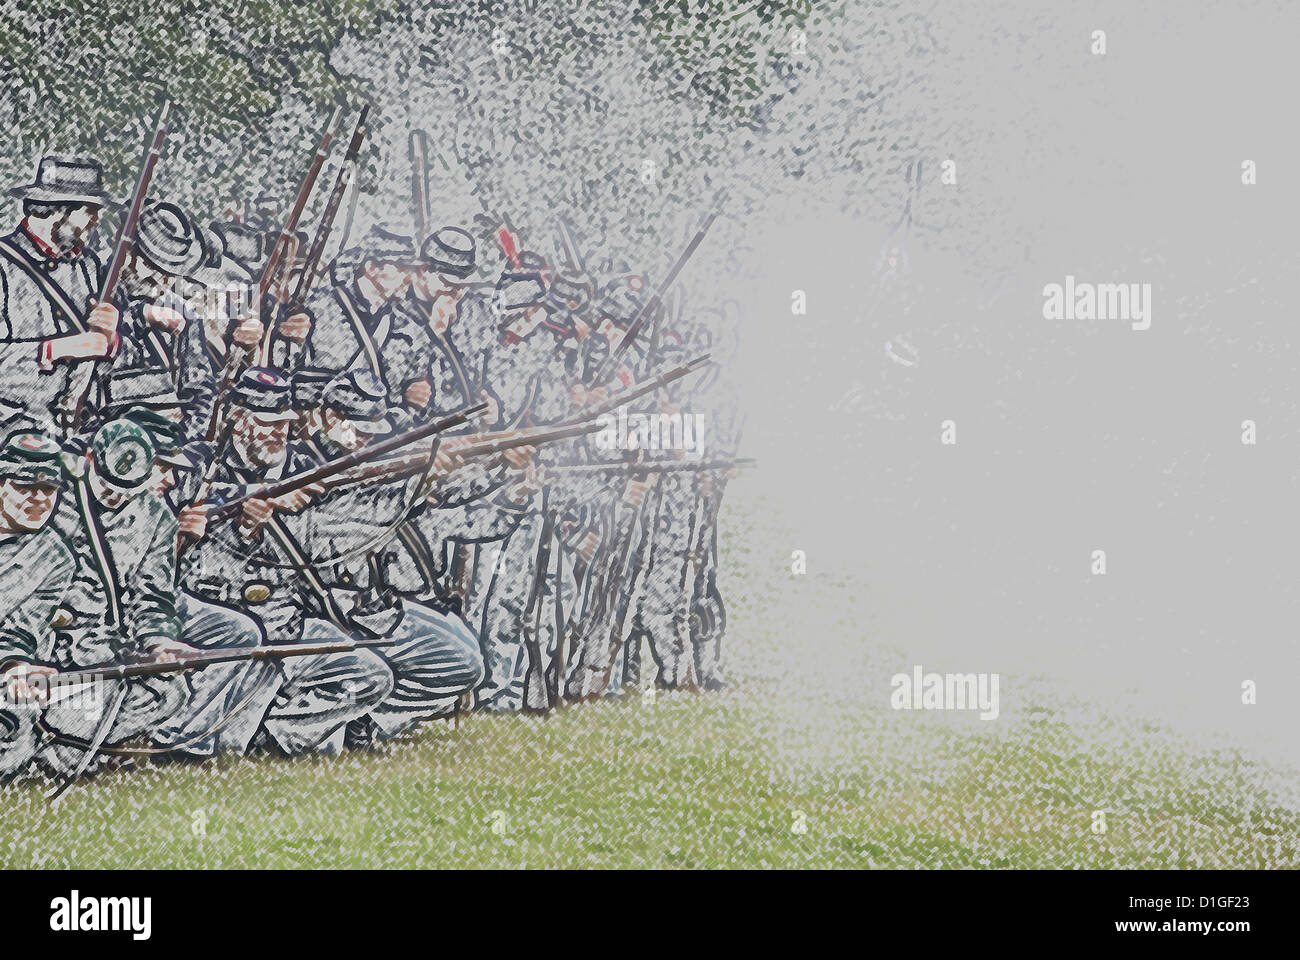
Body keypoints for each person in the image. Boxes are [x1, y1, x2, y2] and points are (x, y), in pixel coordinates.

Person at [180, 366, 392, 755]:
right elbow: (178, 508)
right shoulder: (199, 463)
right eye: (267, 423)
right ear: (238, 421)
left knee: (371, 675)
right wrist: (252, 498)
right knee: (223, 740)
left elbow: (345, 524)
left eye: (284, 422)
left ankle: (275, 738)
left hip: (284, 622)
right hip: (215, 627)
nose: (279, 432)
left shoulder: (302, 466)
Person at [0, 156, 120, 433]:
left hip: (74, 436)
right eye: (90, 210)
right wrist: (54, 350)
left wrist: (111, 341)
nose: (95, 221)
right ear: (57, 210)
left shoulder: (90, 266)